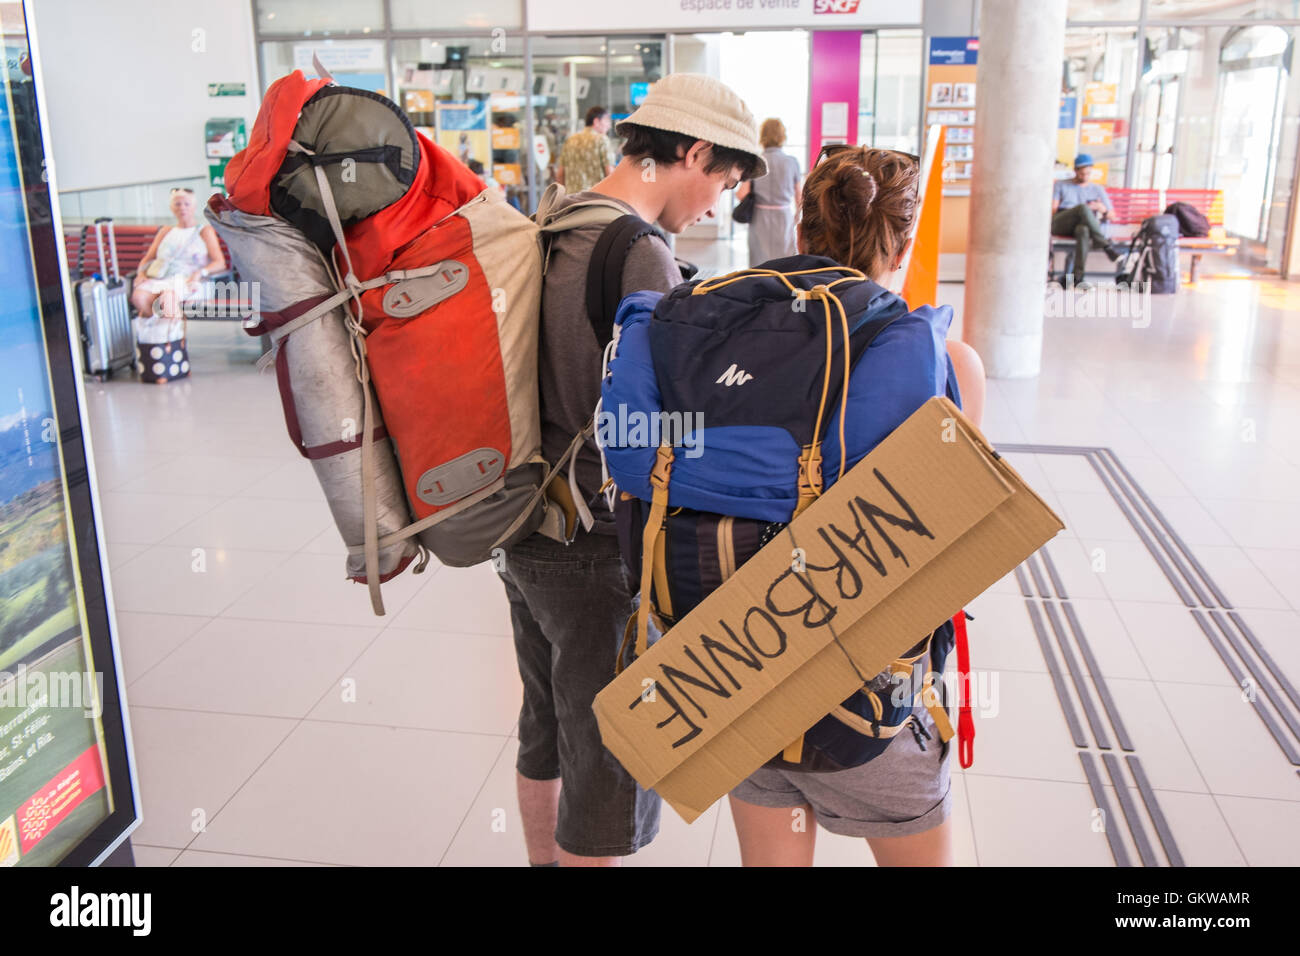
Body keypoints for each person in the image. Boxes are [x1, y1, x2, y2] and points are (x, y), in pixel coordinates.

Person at [601, 144, 987, 867]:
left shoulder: (695, 322)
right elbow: (952, 536)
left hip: (726, 674)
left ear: (801, 231)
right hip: (869, 702)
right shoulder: (943, 360)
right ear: (901, 245)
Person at [497, 73, 766, 867]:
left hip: (523, 528)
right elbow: (654, 426)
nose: (719, 203)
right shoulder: (639, 251)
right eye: (726, 180)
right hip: (595, 546)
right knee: (608, 770)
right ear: (694, 152)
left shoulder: (555, 219)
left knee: (547, 733)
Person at [131, 187, 225, 320]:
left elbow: (220, 263)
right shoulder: (165, 231)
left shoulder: (204, 231)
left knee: (167, 298)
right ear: (171, 207)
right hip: (161, 278)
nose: (182, 208)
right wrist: (141, 274)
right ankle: (162, 329)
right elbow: (148, 258)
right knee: (139, 297)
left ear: (194, 207)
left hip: (191, 281)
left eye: (187, 204)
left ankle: (172, 331)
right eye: (177, 204)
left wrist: (200, 273)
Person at [734, 117, 801, 264]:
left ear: (762, 136)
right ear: (782, 136)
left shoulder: (755, 162)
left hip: (759, 217)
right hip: (784, 217)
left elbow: (741, 194)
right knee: (784, 261)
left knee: (759, 262)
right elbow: (799, 198)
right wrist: (796, 217)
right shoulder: (792, 162)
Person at [1051, 153, 1123, 289]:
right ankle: (1106, 246)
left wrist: (1101, 209)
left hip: (1082, 225)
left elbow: (1112, 216)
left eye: (1088, 174)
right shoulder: (1061, 185)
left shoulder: (1097, 189)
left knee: (1083, 230)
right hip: (1061, 222)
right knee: (1083, 208)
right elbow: (1053, 210)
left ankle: (1078, 278)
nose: (1085, 176)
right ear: (1075, 171)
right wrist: (1076, 211)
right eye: (1082, 173)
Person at [554, 105, 615, 194]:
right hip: (595, 198)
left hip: (572, 198)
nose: (609, 126)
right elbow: (610, 173)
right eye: (606, 121)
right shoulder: (602, 140)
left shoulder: (570, 140)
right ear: (596, 121)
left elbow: (560, 175)